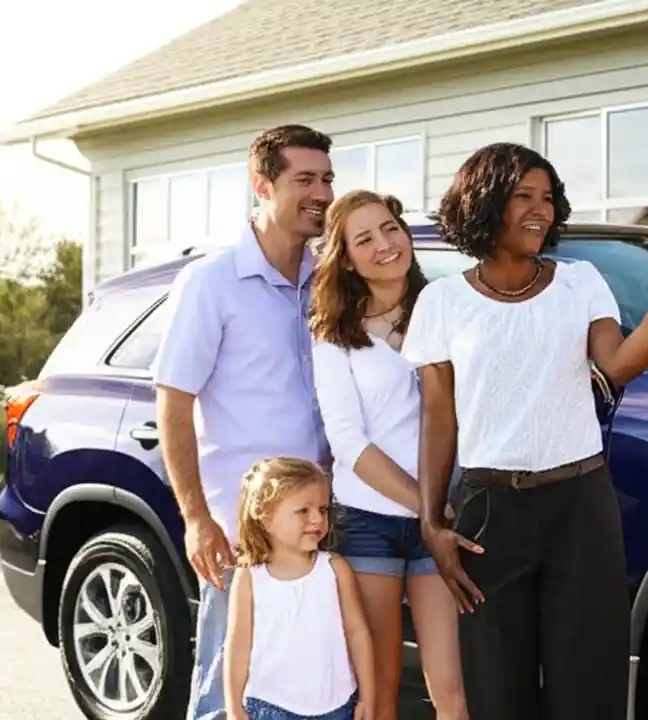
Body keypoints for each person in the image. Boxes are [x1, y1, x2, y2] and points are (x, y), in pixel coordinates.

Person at [401, 142, 648, 720]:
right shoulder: (441, 302)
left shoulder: (580, 282)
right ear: (484, 203)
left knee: (588, 690)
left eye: (547, 198)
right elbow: (440, 421)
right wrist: (433, 523)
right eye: (522, 197)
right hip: (489, 513)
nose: (540, 210)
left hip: (580, 509)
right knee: (497, 693)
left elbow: (613, 366)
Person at [151, 124, 335, 719]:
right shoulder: (211, 283)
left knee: (309, 681)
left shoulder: (328, 283)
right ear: (262, 185)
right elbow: (173, 403)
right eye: (304, 179)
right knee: (228, 682)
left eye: (327, 179)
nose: (322, 193)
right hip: (244, 528)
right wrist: (198, 519)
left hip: (320, 521)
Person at [309, 189, 469, 720]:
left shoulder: (445, 308)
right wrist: (426, 503)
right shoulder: (334, 335)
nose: (384, 244)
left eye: (390, 229)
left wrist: (437, 509)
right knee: (376, 692)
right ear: (346, 259)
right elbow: (349, 443)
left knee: (451, 687)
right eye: (364, 239)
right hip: (369, 521)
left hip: (442, 523)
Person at [223, 456, 375, 720]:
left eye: (323, 509)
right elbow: (238, 645)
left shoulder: (335, 569)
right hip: (271, 707)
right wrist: (234, 707)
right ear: (265, 516)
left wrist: (368, 697)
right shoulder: (249, 577)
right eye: (303, 510)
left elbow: (358, 634)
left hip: (336, 707)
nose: (317, 518)